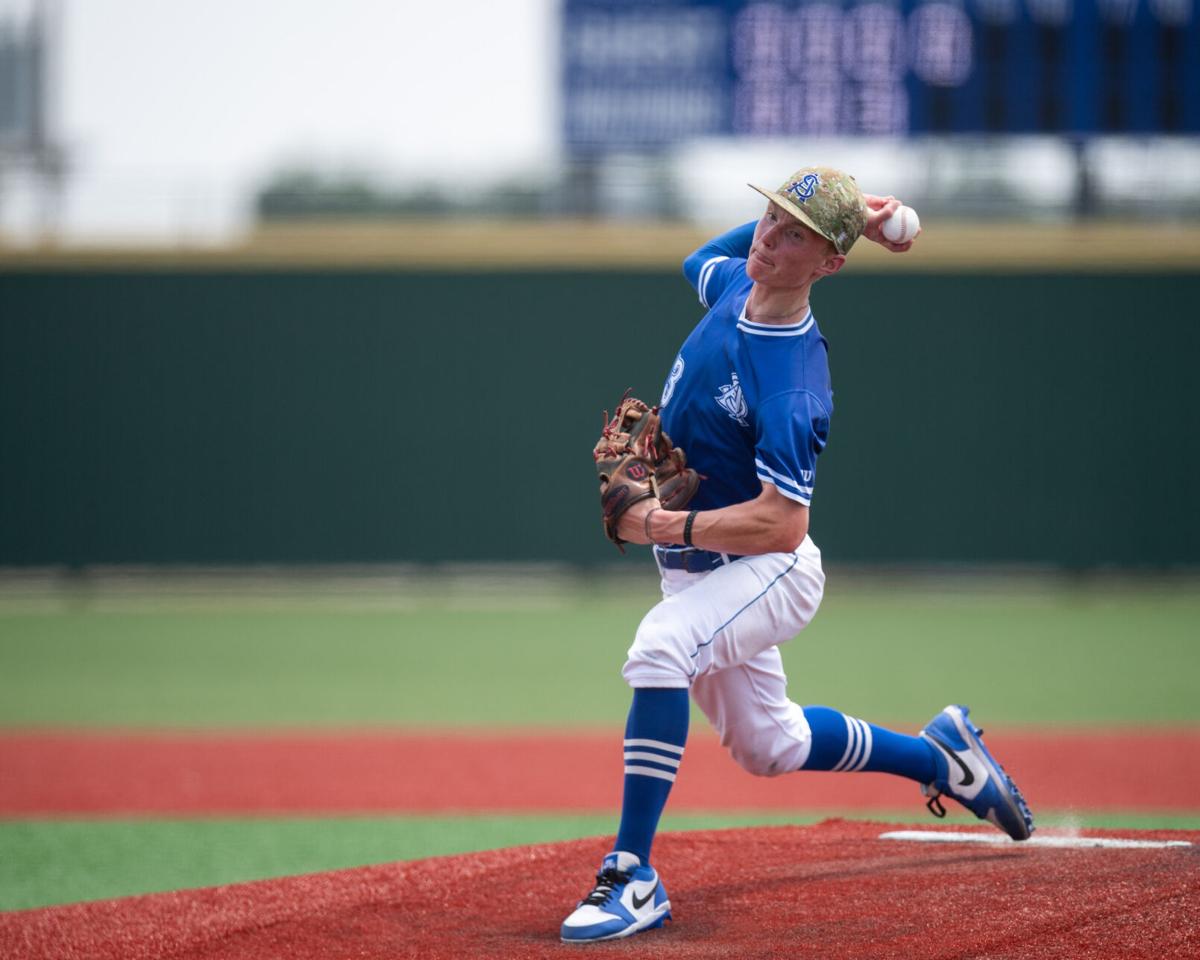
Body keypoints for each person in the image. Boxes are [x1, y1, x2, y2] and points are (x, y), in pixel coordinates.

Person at [560, 167, 1035, 945]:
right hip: (703, 570)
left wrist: (662, 528)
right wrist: (854, 214)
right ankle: (942, 758)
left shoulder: (791, 383)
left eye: (795, 235)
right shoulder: (731, 286)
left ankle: (631, 873)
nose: (768, 241)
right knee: (769, 746)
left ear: (831, 265)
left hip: (770, 570)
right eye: (769, 218)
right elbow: (699, 259)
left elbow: (782, 524)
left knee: (659, 649)